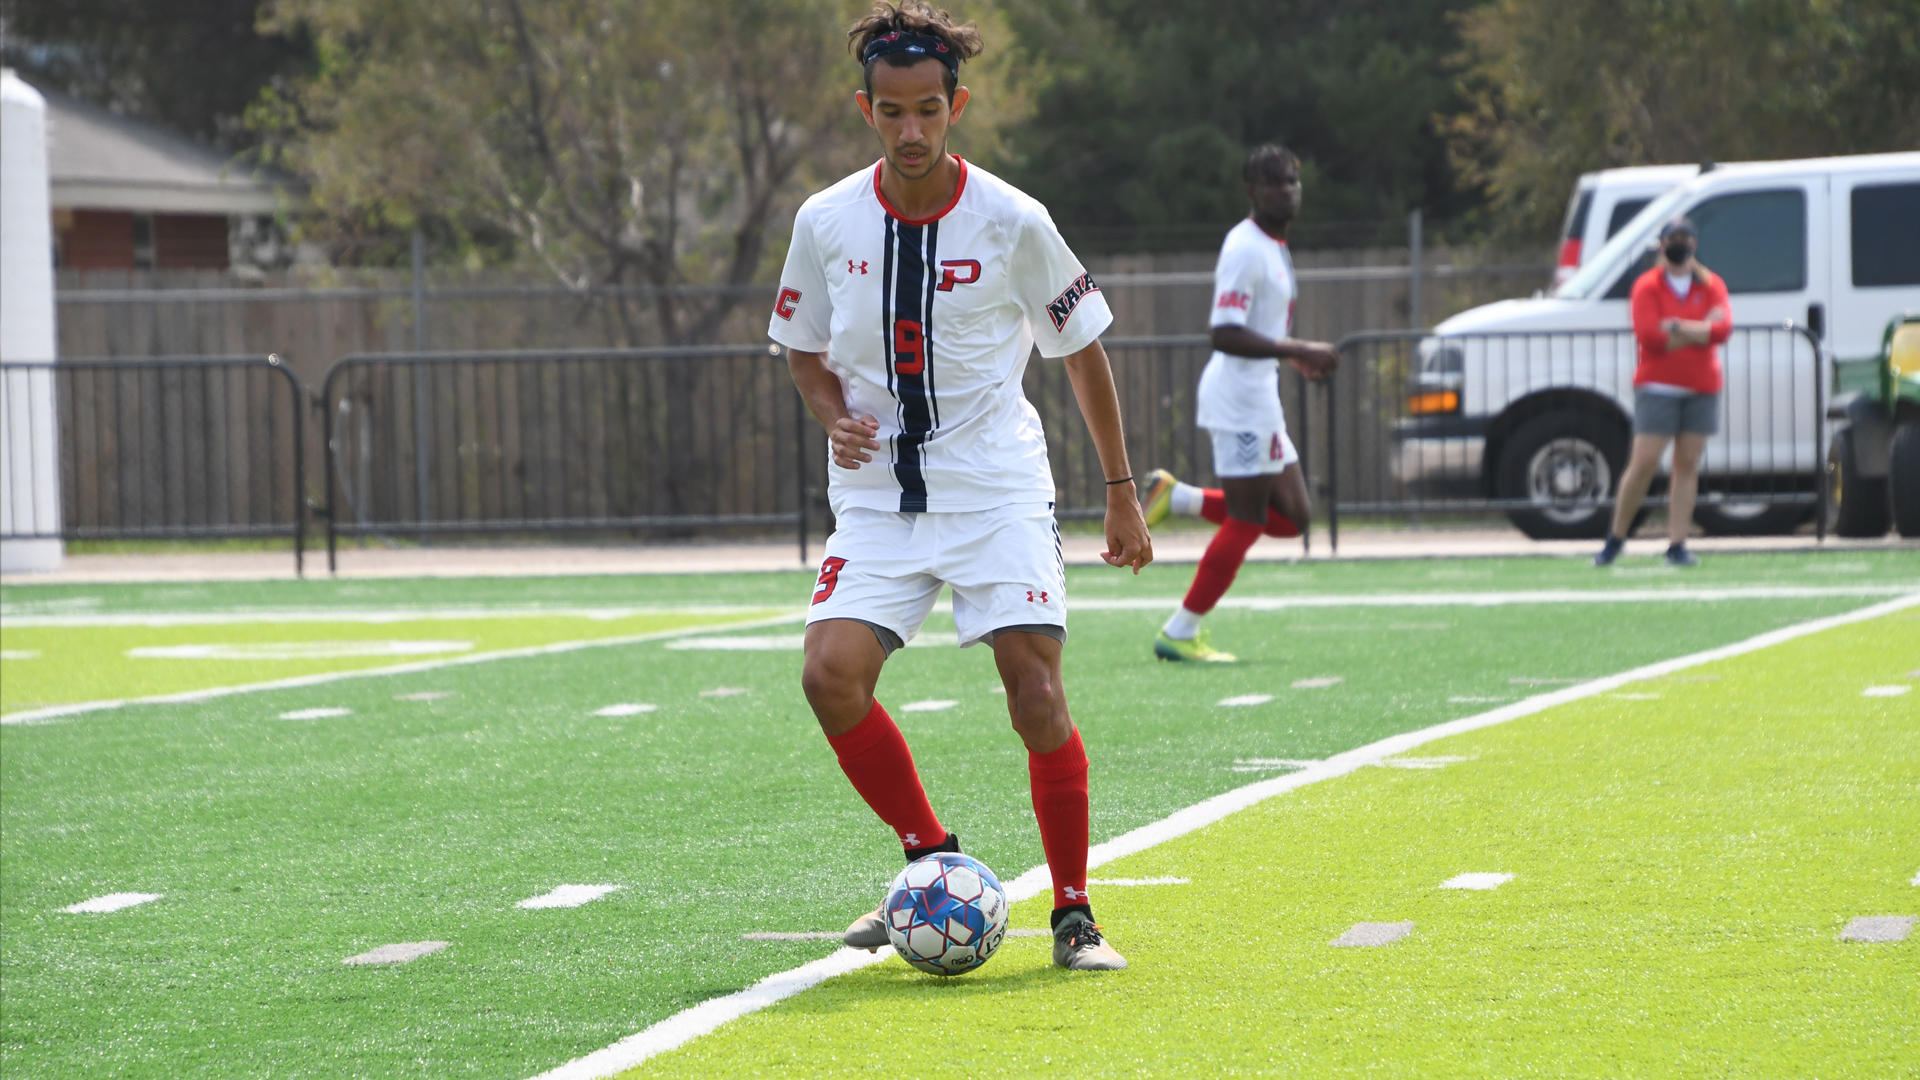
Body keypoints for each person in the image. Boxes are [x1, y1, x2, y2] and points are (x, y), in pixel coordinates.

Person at [771, 1, 1151, 971]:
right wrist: (826, 410)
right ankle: (929, 858)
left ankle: (1074, 913)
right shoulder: (824, 219)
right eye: (892, 111)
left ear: (957, 106)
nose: (911, 130)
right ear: (866, 110)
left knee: (1034, 694)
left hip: (996, 491)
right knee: (829, 676)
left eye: (928, 111)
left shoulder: (1014, 219)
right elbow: (802, 351)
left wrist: (1120, 490)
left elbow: (1083, 351)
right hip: (878, 500)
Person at [1145, 145, 1338, 663]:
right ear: (1251, 192)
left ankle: (1178, 498)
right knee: (1249, 520)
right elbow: (1225, 333)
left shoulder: (1273, 245)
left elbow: (1255, 328)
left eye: (1292, 182)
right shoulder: (1247, 247)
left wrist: (1287, 355)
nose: (1286, 191)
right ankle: (1180, 631)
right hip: (1239, 401)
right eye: (1273, 183)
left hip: (1259, 396)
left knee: (1294, 517)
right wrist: (1297, 348)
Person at [1594, 217, 1730, 567]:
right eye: (1674, 238)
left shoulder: (1711, 284)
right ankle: (1616, 538)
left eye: (1686, 237)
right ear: (1662, 244)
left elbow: (1722, 330)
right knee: (1643, 464)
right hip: (1657, 387)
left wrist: (1677, 327)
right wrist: (1700, 327)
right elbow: (1650, 337)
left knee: (1686, 464)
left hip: (1702, 385)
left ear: (1694, 243)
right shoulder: (1648, 286)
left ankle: (1677, 544)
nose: (1680, 243)